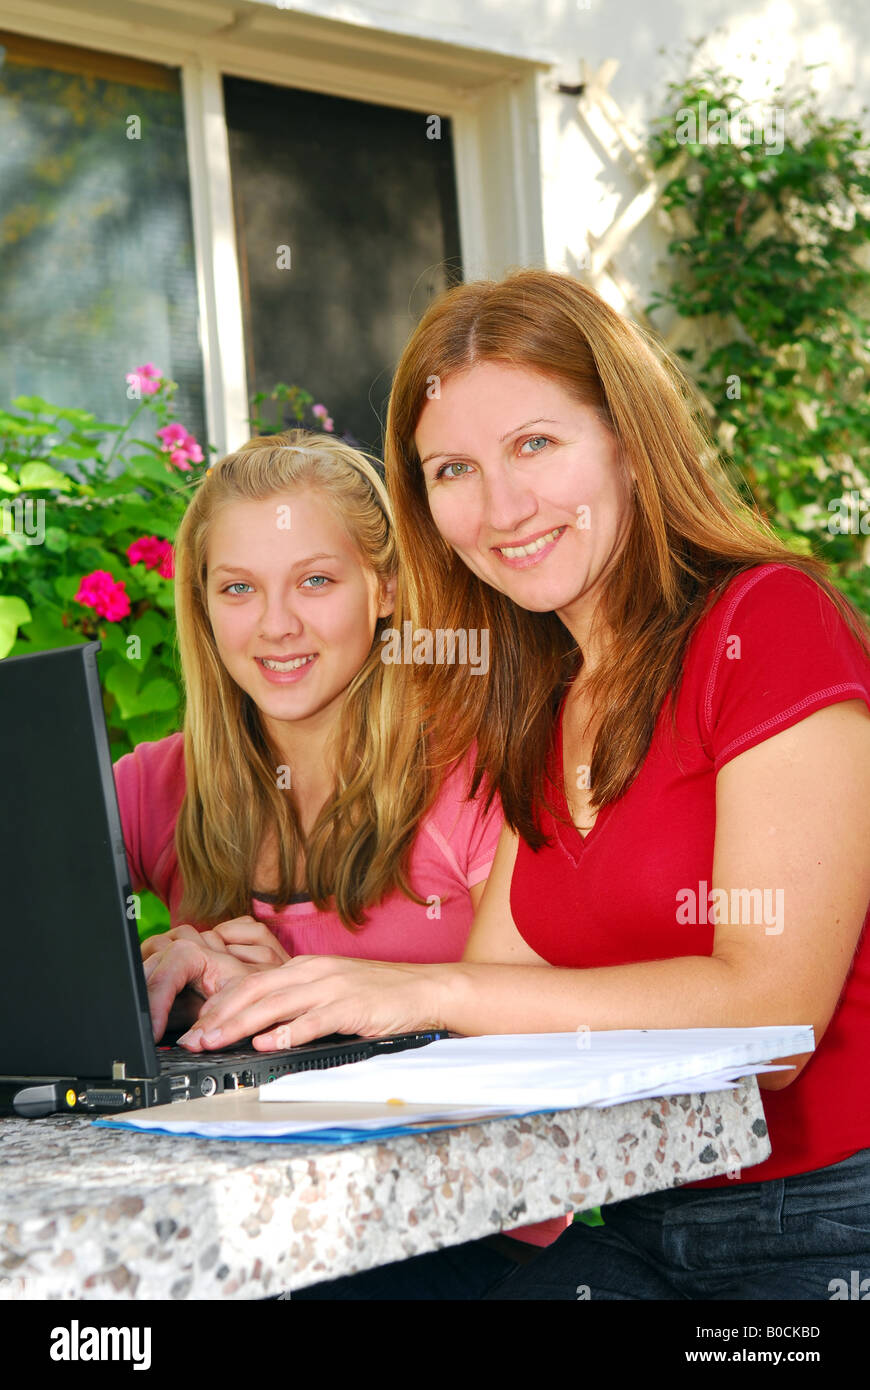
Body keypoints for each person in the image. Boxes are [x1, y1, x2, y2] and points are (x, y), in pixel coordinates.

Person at [184, 271, 870, 1301]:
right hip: (634, 1213)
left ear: (630, 444)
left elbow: (769, 1022)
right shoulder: (545, 696)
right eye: (452, 469)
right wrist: (284, 1006)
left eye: (536, 445)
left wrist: (432, 986)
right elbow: (495, 1005)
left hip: (821, 1228)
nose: (500, 507)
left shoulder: (769, 622)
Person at [119, 427, 567, 1295]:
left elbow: (552, 1032)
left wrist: (310, 1002)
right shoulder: (159, 783)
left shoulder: (477, 773)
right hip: (235, 1224)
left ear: (387, 588)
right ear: (203, 607)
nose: (277, 625)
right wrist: (144, 972)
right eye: (239, 589)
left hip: (455, 1231)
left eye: (316, 581)